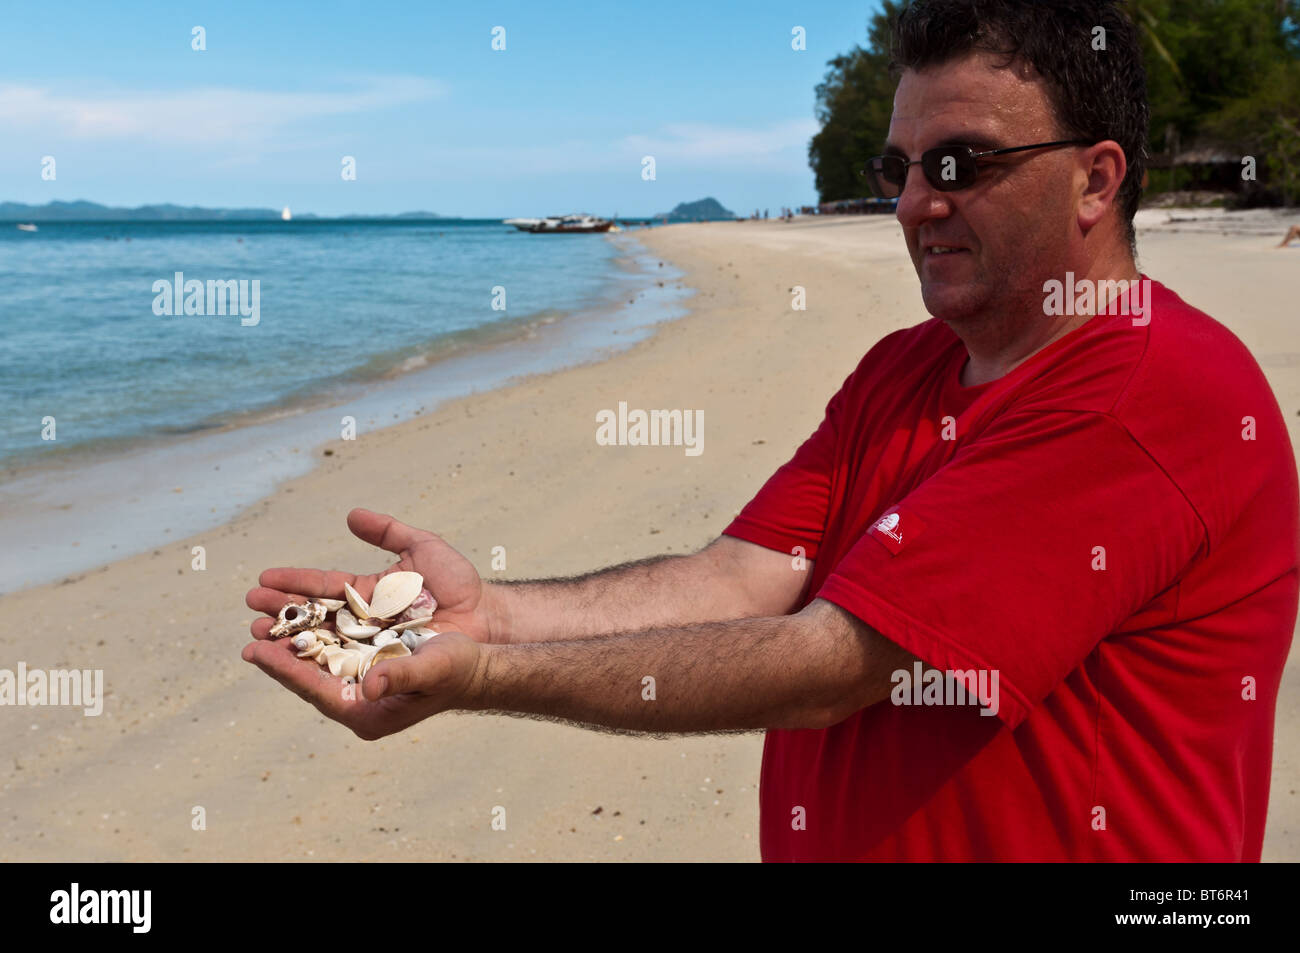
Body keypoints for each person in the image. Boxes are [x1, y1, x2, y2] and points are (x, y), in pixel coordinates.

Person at [243, 0, 1298, 862]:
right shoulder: (904, 368)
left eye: (959, 165)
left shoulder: (1151, 394)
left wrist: (481, 678)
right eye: (898, 169)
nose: (913, 205)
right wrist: (494, 614)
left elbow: (829, 664)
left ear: (1096, 179)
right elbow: (744, 577)